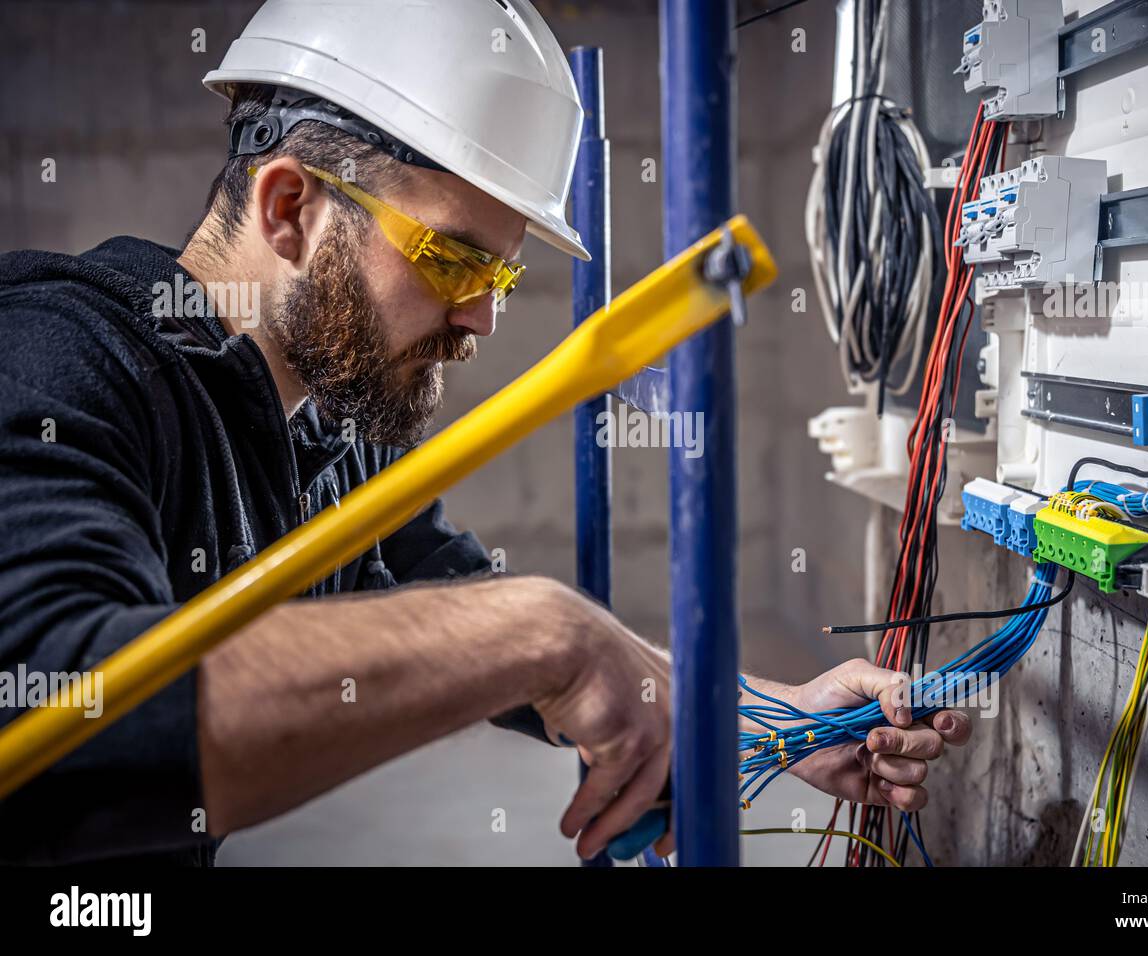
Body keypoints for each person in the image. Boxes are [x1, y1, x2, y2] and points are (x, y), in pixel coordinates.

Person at [0, 0, 971, 865]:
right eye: (454, 260)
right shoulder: (55, 361)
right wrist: (543, 629)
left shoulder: (322, 426)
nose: (481, 320)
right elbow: (57, 715)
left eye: (497, 278)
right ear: (289, 207)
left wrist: (758, 710)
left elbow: (450, 603)